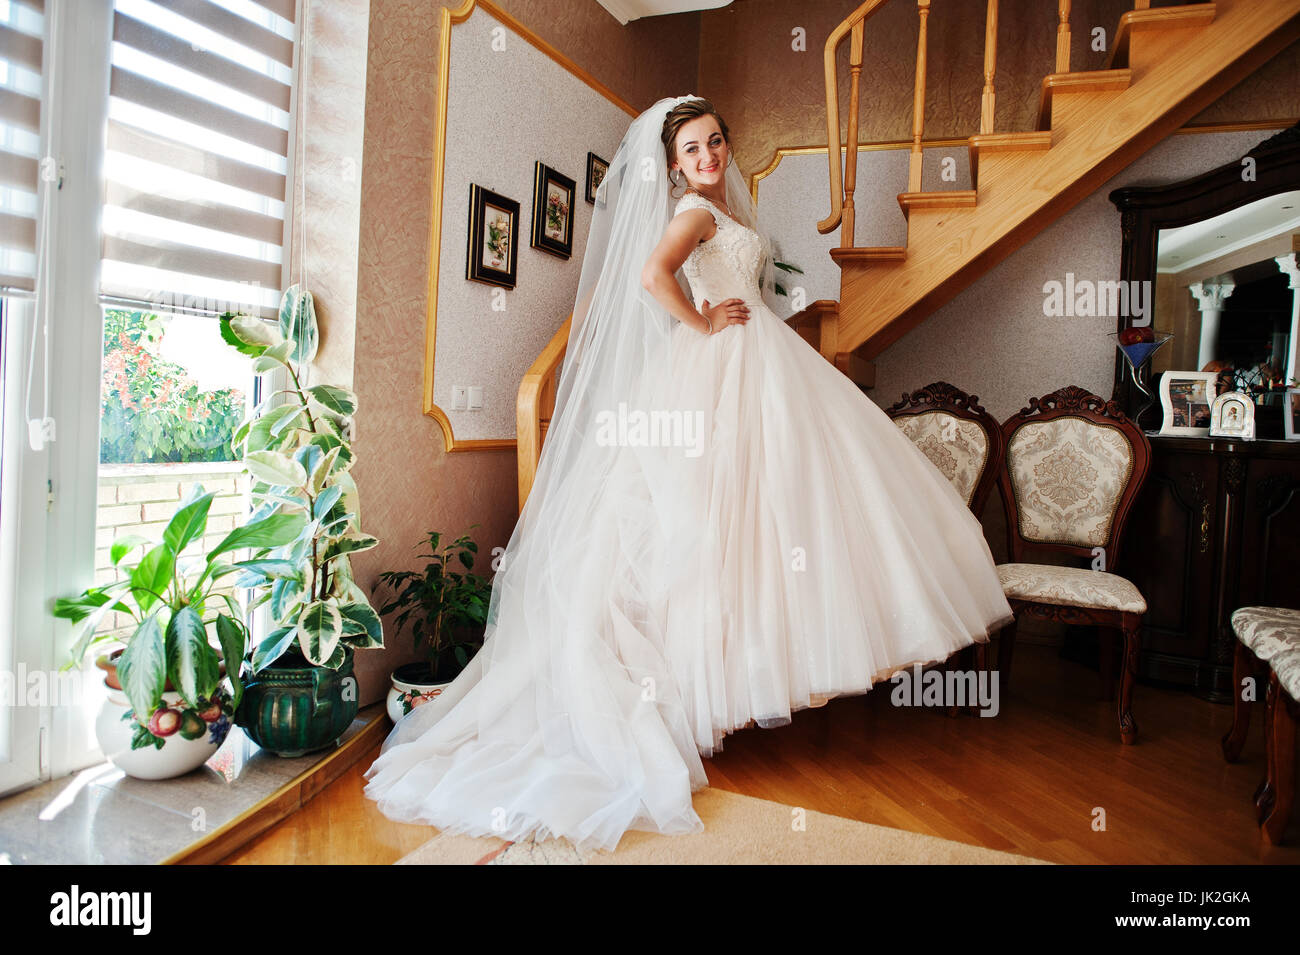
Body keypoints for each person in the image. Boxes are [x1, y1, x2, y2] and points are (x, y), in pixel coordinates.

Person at [362, 94, 1014, 852]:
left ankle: (727, 687)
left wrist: (722, 316)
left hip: (754, 365)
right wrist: (703, 322)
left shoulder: (722, 213)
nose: (707, 157)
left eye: (715, 143)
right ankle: (700, 694)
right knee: (707, 526)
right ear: (673, 164)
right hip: (716, 366)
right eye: (693, 150)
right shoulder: (695, 216)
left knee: (754, 526)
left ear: (726, 148)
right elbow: (651, 276)